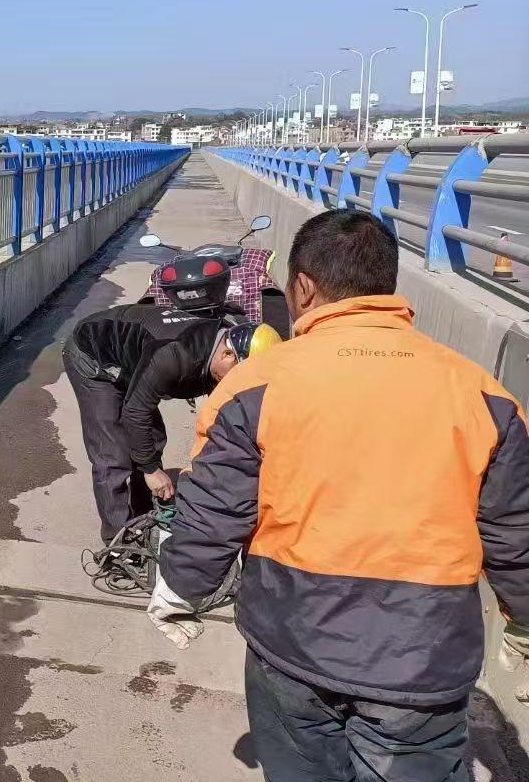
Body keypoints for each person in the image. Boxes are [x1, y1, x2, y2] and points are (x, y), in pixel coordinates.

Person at [148, 209, 529, 781]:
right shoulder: (480, 394)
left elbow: (216, 507)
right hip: (422, 654)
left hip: (291, 641)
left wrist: (180, 587)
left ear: (303, 288)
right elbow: (515, 528)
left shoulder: (256, 384)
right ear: (385, 284)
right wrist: (524, 619)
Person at [65, 301, 277, 547]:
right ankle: (119, 543)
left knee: (152, 439)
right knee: (113, 454)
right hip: (92, 353)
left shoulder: (224, 348)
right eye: (238, 374)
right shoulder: (175, 354)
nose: (237, 383)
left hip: (133, 358)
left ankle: (143, 517)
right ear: (227, 354)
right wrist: (151, 470)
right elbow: (136, 412)